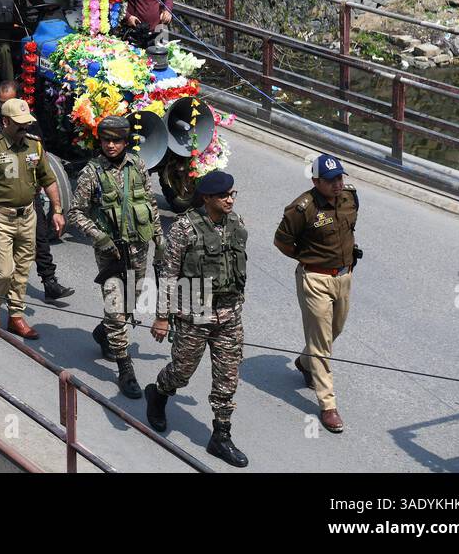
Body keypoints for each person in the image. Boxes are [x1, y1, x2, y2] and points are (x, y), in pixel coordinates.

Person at [145, 169, 249, 466]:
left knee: (227, 379)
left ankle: (221, 435)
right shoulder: (184, 229)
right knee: (182, 372)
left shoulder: (236, 223)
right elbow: (168, 275)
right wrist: (162, 317)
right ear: (207, 198)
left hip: (229, 314)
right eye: (224, 196)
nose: (230, 200)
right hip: (194, 313)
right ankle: (159, 393)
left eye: (232, 194)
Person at [67, 115, 163, 399]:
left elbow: (149, 202)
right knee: (115, 307)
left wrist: (159, 236)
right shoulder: (92, 173)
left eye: (117, 140)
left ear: (125, 141)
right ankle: (125, 369)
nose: (111, 145)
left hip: (139, 249)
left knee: (131, 303)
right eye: (106, 140)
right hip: (110, 254)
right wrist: (100, 237)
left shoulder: (138, 166)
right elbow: (75, 213)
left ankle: (103, 333)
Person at [274, 154, 360, 434]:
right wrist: (308, 258)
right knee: (322, 343)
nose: (338, 184)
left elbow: (350, 229)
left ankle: (304, 361)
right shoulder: (302, 209)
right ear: (316, 182)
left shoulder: (350, 198)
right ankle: (328, 405)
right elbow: (282, 241)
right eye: (331, 180)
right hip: (316, 279)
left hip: (345, 276)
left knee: (335, 330)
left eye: (340, 178)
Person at [0, 98, 66, 341]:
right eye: (19, 124)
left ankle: (15, 316)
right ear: (5, 122)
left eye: (27, 123)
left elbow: (49, 179)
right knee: (3, 271)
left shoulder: (35, 146)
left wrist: (57, 209)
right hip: (1, 218)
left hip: (28, 217)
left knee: (22, 270)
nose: (25, 128)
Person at [0, 80, 74, 302]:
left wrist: (57, 209)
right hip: (1, 201)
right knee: (2, 249)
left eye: (8, 104)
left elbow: (45, 168)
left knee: (40, 238)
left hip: (29, 195)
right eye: (0, 104)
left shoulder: (32, 126)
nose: (3, 110)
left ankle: (49, 283)